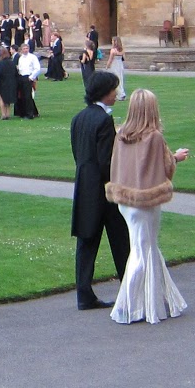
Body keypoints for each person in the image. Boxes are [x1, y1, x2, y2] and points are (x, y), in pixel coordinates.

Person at [105, 89, 191, 325]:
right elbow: (164, 167)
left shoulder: (121, 133)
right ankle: (128, 307)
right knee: (142, 252)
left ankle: (154, 302)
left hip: (125, 198)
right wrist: (177, 157)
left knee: (148, 248)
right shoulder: (154, 137)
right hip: (144, 199)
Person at [70, 71, 128, 310]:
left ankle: (84, 294)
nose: (116, 93)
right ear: (105, 92)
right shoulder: (103, 120)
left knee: (87, 241)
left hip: (84, 184)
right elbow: (107, 160)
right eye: (114, 89)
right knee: (120, 240)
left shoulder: (79, 117)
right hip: (104, 189)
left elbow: (78, 153)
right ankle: (130, 290)